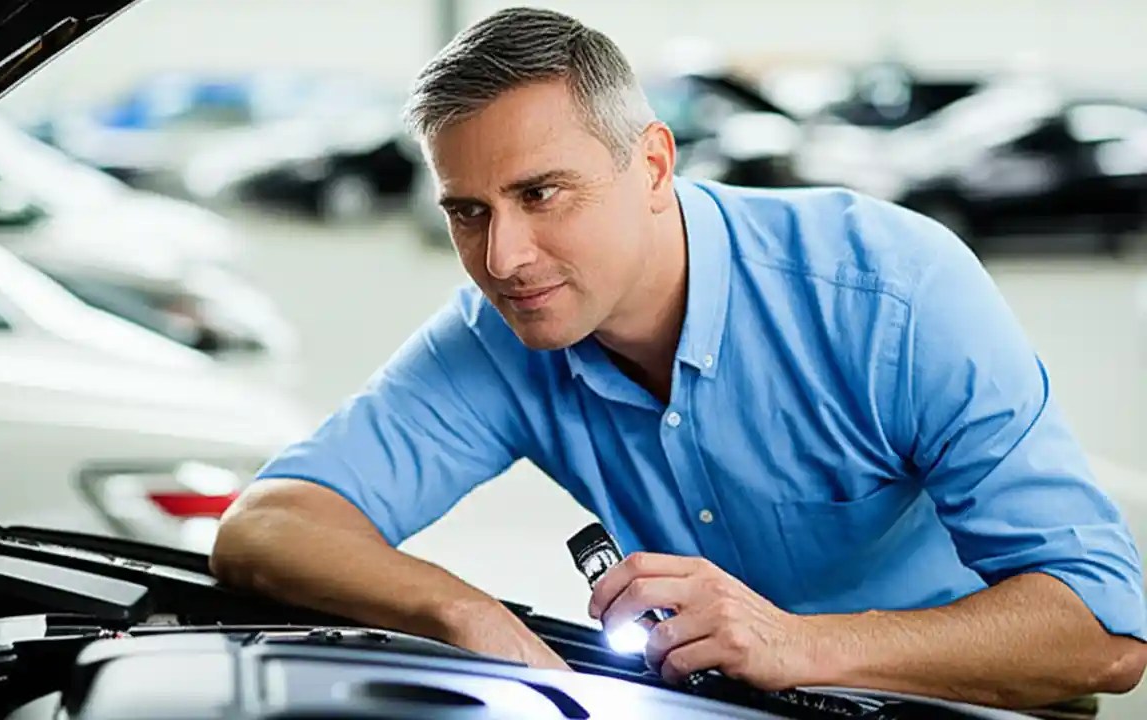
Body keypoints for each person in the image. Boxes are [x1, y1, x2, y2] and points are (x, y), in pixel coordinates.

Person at [210, 6, 1147, 715]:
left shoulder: (891, 293)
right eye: (469, 211)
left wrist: (793, 644)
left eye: (543, 193)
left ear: (653, 167)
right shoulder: (502, 335)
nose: (504, 259)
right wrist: (467, 616)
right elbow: (267, 526)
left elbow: (1105, 633)